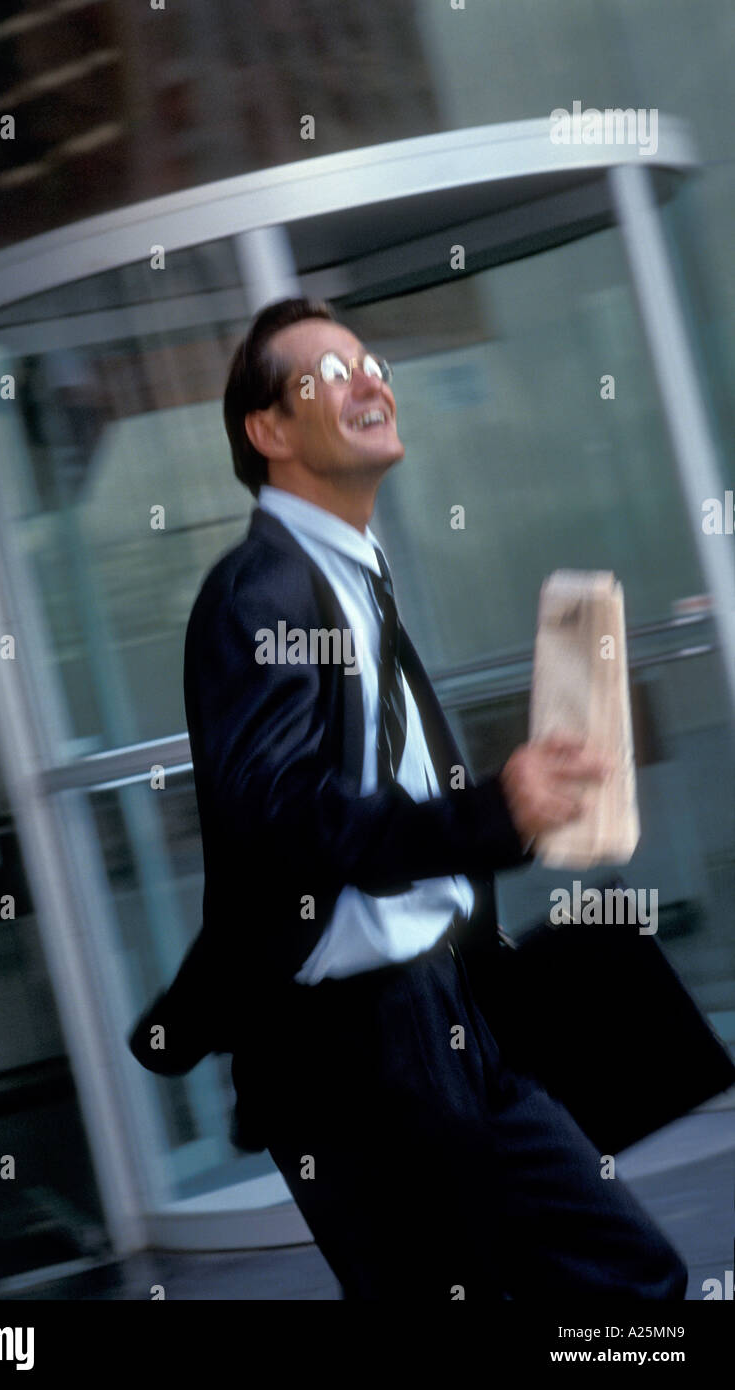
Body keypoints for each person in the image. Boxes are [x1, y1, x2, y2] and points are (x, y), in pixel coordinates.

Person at [181, 295, 688, 1301]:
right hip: (354, 1055)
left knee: (632, 1274)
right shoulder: (262, 592)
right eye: (327, 374)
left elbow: (375, 789)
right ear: (270, 431)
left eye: (371, 360)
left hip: (447, 1014)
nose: (369, 378)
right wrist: (491, 815)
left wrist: (521, 800)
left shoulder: (353, 577)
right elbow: (282, 818)